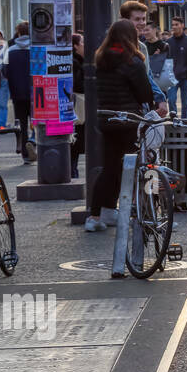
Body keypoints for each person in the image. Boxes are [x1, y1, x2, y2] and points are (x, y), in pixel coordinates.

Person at [87, 20, 154, 253]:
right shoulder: (132, 61)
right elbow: (145, 93)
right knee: (139, 166)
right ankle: (142, 211)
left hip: (107, 121)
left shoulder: (101, 59)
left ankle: (96, 215)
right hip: (128, 121)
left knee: (109, 167)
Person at [118, 0, 169, 117]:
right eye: (137, 19)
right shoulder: (117, 45)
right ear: (125, 21)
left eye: (143, 19)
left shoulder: (142, 47)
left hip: (140, 106)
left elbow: (147, 75)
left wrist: (160, 98)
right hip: (123, 107)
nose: (142, 23)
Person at [4, 21, 34, 161]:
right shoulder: (35, 49)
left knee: (22, 123)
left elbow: (4, 72)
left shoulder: (9, 51)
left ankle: (25, 153)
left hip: (17, 93)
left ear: (19, 33)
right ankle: (33, 141)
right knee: (37, 120)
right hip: (34, 92)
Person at [165, 16, 187, 116]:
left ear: (182, 25)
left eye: (176, 24)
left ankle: (185, 123)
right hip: (172, 78)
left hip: (186, 77)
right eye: (173, 25)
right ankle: (173, 121)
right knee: (171, 100)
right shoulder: (168, 42)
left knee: (185, 104)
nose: (174, 27)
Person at [71, 33, 86, 179]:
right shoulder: (75, 63)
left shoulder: (79, 61)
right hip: (77, 106)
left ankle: (73, 170)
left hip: (78, 107)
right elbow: (78, 85)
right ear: (75, 46)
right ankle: (72, 171)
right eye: (82, 43)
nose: (85, 45)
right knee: (74, 141)